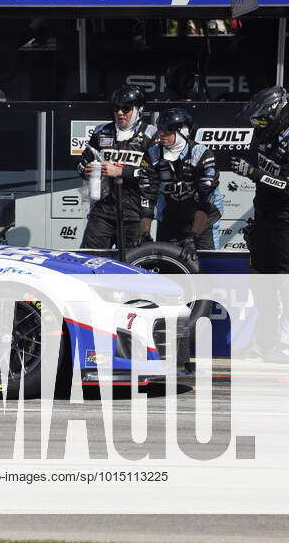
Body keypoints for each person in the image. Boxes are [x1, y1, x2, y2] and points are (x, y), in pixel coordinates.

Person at [231, 85, 289, 360]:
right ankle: (265, 343)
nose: (257, 124)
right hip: (264, 216)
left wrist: (254, 173)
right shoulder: (263, 132)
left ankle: (285, 342)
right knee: (262, 283)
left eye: (261, 119)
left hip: (286, 220)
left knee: (285, 284)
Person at [77, 85, 157, 249]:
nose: (120, 113)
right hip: (102, 212)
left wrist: (122, 171)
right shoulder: (101, 131)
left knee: (132, 266)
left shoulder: (151, 135)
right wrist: (85, 170)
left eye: (126, 108)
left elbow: (156, 174)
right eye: (116, 108)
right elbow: (81, 162)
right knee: (90, 259)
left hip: (135, 214)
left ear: (138, 110)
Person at [145, 107, 220, 257]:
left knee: (206, 267)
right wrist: (145, 232)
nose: (161, 134)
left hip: (203, 220)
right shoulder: (153, 153)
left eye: (167, 130)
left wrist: (193, 237)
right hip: (170, 218)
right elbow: (146, 194)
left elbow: (205, 199)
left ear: (182, 131)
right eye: (160, 130)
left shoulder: (201, 153)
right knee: (166, 267)